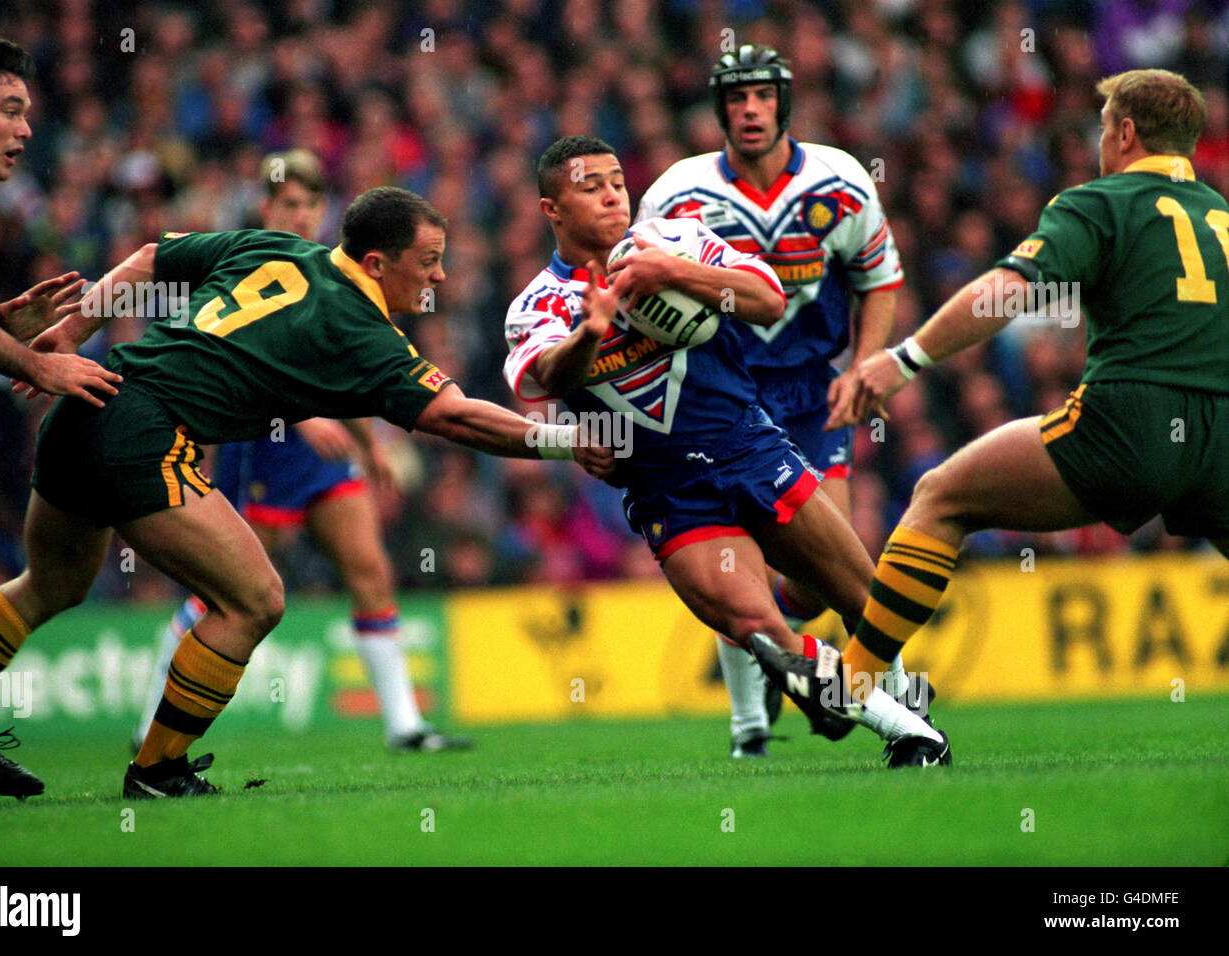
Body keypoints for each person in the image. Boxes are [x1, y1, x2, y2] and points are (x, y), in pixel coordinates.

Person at [0, 185, 612, 800]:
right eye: (429, 259)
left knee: (48, 584)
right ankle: (158, 770)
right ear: (377, 262)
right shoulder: (363, 332)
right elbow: (456, 415)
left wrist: (71, 334)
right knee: (255, 599)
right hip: (142, 434)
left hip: (83, 400)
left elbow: (148, 259)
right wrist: (559, 439)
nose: (439, 275)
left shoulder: (274, 248)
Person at [764, 69, 1229, 737]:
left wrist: (905, 359)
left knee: (943, 495)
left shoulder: (1101, 202)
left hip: (1134, 422)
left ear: (1126, 133)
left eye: (1104, 129)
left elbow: (1008, 291)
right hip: (1220, 434)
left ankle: (850, 684)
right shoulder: (1220, 216)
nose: (1101, 143)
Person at [504, 135, 946, 767]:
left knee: (862, 596)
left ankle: (901, 703)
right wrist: (593, 329)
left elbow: (766, 298)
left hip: (751, 448)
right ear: (552, 209)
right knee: (763, 633)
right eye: (589, 187)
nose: (611, 196)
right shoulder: (538, 304)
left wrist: (672, 274)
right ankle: (907, 733)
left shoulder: (678, 238)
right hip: (669, 493)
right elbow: (544, 378)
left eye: (616, 182)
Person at [132, 150, 470, 755]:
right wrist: (303, 416)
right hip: (258, 445)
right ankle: (151, 720)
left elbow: (354, 368)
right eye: (290, 203)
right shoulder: (254, 255)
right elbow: (240, 357)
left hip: (327, 450)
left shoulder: (336, 274)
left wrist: (369, 444)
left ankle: (404, 726)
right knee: (229, 590)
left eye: (312, 204)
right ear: (267, 208)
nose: (302, 214)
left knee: (369, 569)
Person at [636, 44, 917, 757]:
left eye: (762, 96)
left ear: (784, 103)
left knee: (831, 570)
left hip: (810, 394)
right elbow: (639, 291)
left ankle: (799, 664)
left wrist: (868, 364)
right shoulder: (676, 191)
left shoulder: (842, 180)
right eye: (735, 98)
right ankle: (751, 728)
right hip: (723, 397)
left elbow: (877, 278)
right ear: (718, 109)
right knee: (741, 569)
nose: (750, 110)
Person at [0, 35, 123, 800]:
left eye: (29, 113)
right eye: (9, 111)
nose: (26, 129)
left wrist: (3, 338)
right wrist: (37, 362)